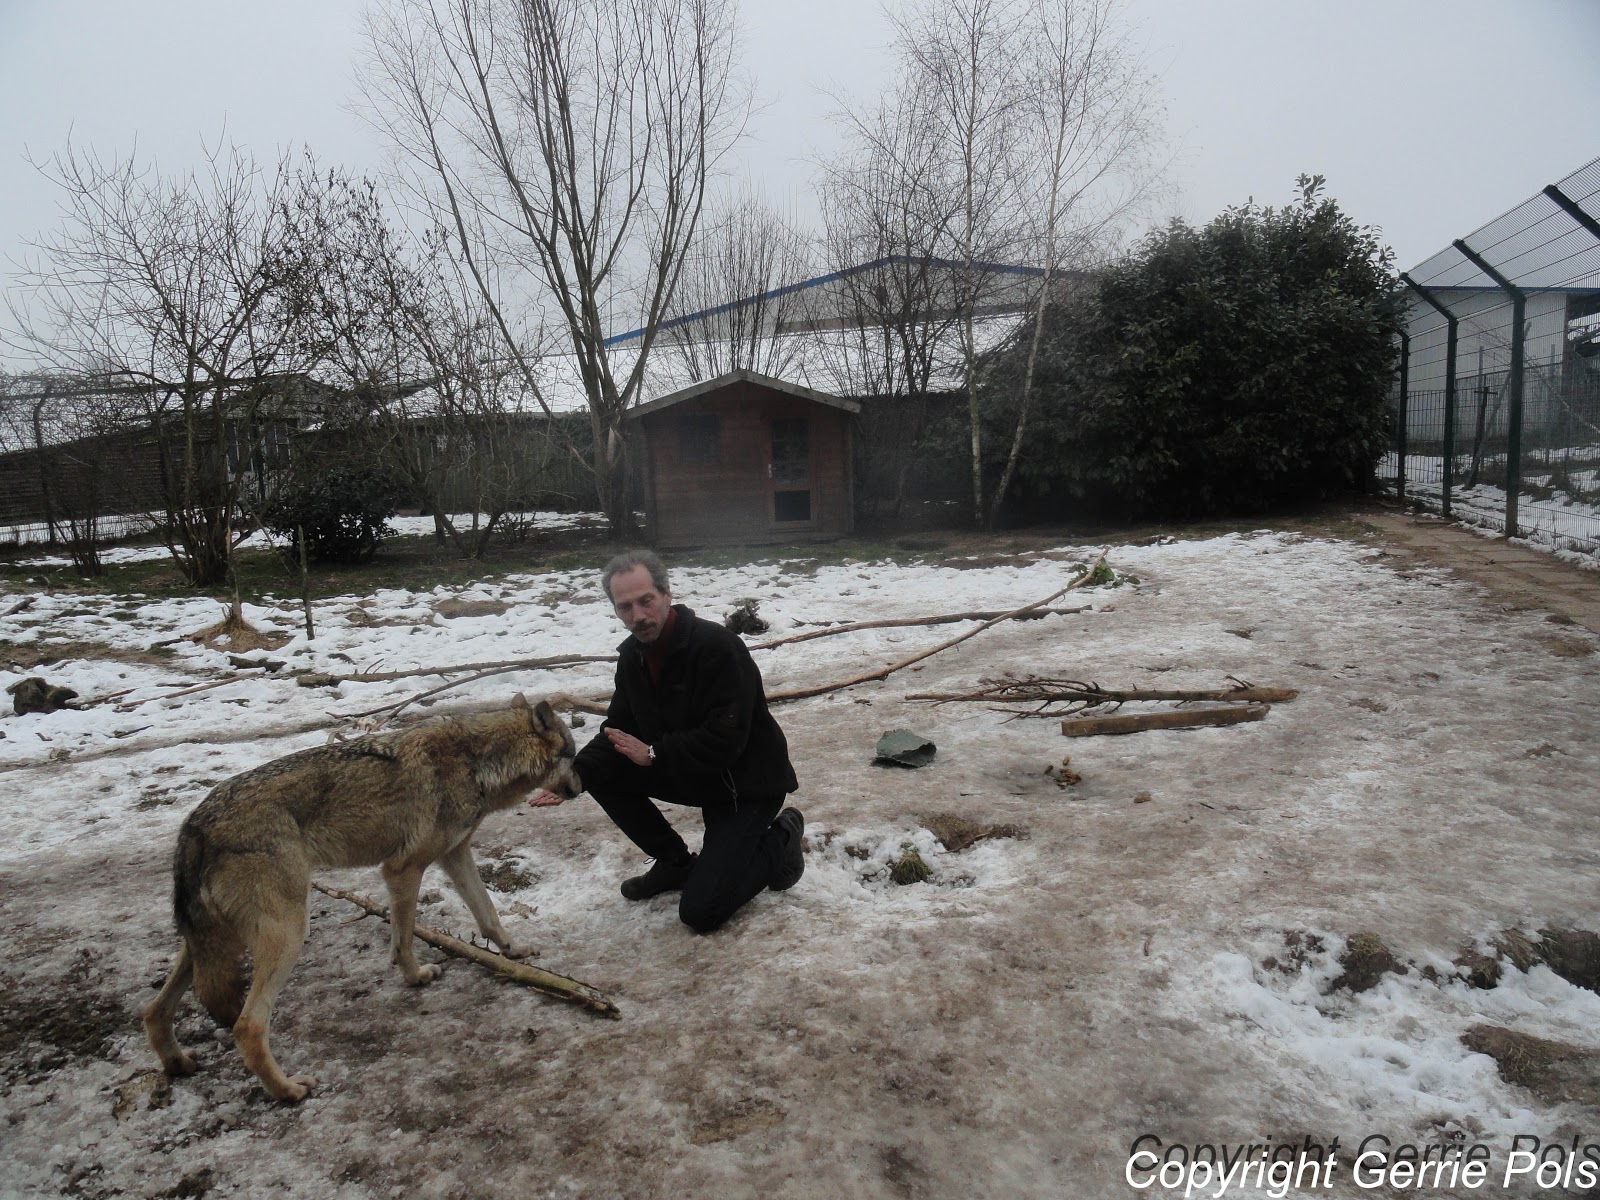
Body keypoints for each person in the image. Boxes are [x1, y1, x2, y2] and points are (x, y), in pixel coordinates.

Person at [529, 550, 805, 933]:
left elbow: (726, 738)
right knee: (601, 772)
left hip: (745, 786)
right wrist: (572, 778)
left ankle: (782, 838)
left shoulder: (717, 648)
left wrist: (655, 753)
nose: (638, 615)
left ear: (666, 594)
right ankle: (675, 863)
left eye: (646, 601)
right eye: (625, 607)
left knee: (701, 912)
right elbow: (618, 730)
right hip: (693, 773)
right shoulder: (634, 657)